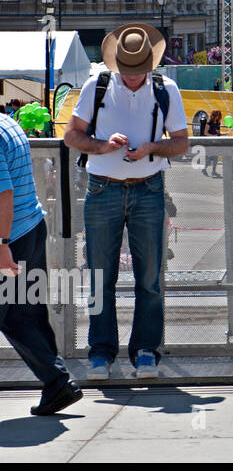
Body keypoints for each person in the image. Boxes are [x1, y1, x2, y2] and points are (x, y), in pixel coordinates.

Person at [64, 23, 188, 380]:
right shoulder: (97, 85)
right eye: (127, 72)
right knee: (99, 276)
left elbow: (181, 143)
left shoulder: (167, 89)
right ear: (116, 65)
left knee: (149, 276)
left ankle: (145, 352)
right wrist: (103, 146)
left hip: (149, 188)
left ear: (150, 65)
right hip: (102, 188)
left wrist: (151, 148)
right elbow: (72, 135)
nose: (133, 78)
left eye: (139, 72)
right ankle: (101, 353)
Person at [0, 107, 82, 414]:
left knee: (19, 314)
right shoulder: (8, 122)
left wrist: (1, 245)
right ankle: (57, 384)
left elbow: (2, 194)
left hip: (10, 237)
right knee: (22, 316)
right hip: (29, 228)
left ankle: (57, 383)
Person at [201, 109, 222, 177]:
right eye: (217, 115)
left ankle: (213, 171)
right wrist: (213, 136)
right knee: (210, 157)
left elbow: (218, 133)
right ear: (213, 115)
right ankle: (204, 169)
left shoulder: (218, 123)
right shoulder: (209, 123)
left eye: (219, 115)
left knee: (215, 158)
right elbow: (205, 133)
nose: (218, 116)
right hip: (209, 142)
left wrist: (224, 134)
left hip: (215, 143)